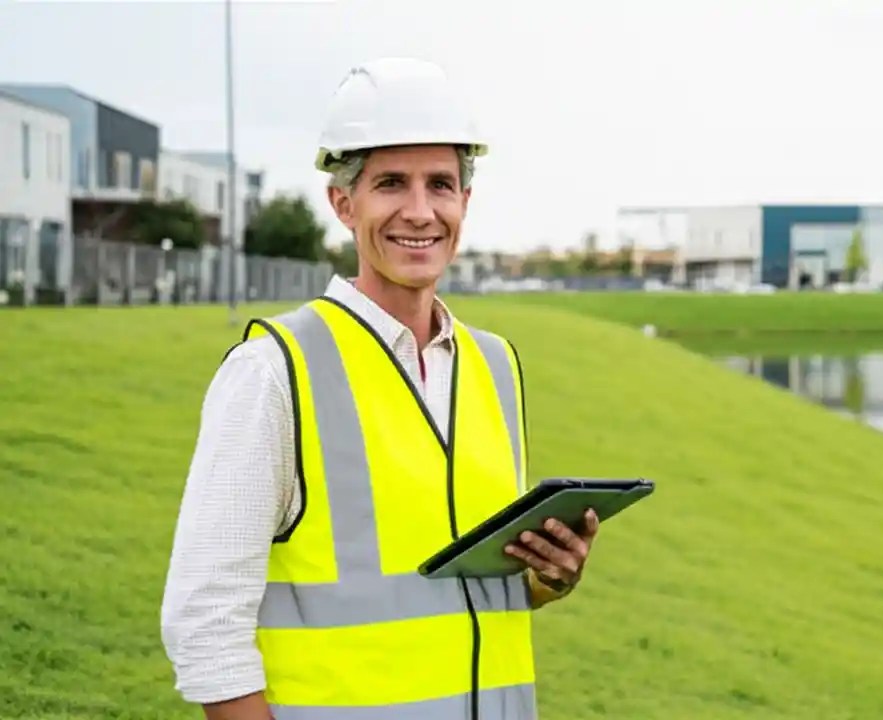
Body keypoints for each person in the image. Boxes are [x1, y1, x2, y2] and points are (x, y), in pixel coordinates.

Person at [160, 57, 599, 720]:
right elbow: (204, 622)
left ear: (465, 202)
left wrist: (545, 576)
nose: (420, 212)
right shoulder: (273, 371)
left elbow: (447, 587)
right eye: (392, 183)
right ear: (344, 202)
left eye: (440, 185)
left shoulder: (496, 366)